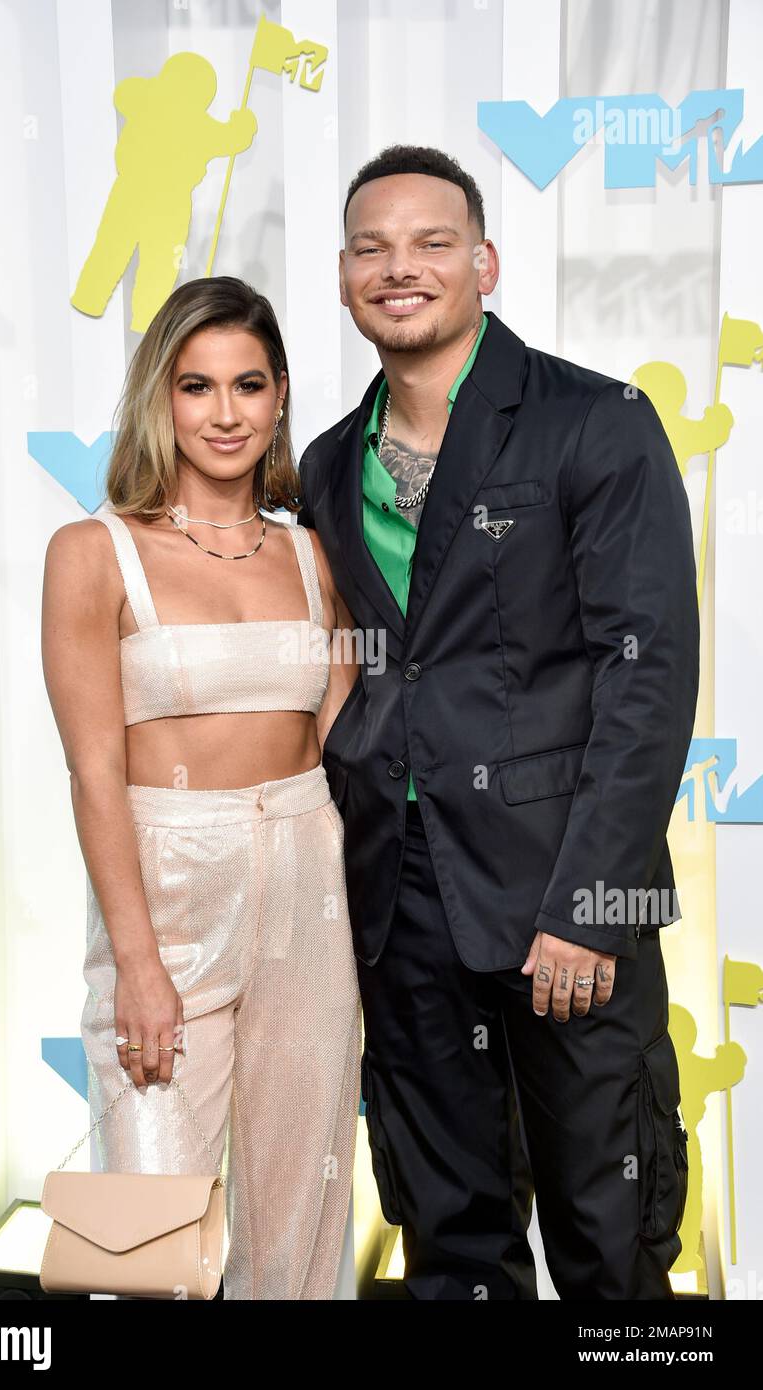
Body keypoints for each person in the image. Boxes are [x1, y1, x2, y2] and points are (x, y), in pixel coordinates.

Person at [296, 144, 699, 1300]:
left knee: (606, 1228)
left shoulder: (595, 422)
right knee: (445, 1231)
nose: (398, 267)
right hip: (400, 900)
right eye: (371, 248)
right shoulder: (328, 466)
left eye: (429, 243)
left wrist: (586, 908)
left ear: (484, 263)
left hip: (559, 894)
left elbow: (646, 677)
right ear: (340, 277)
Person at [42, 276, 361, 1301]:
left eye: (248, 385)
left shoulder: (314, 553)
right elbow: (94, 768)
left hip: (309, 875)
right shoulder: (93, 553)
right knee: (143, 1234)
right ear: (158, 399)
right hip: (169, 883)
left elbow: (336, 732)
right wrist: (136, 959)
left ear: (277, 400)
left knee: (300, 1206)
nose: (224, 412)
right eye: (195, 386)